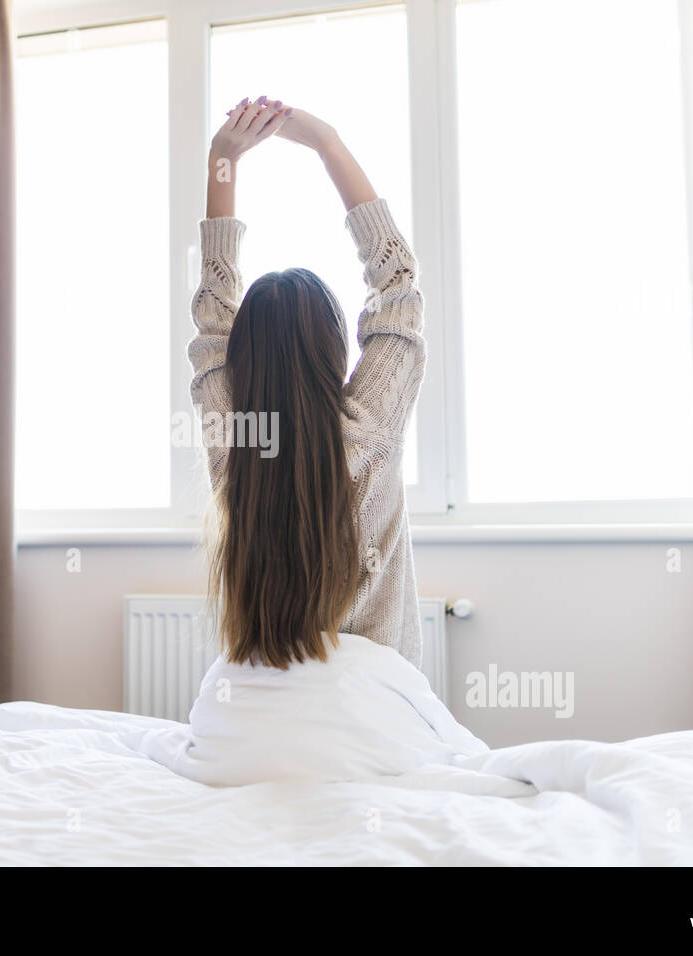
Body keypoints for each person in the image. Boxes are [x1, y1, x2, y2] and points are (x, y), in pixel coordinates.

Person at [138, 96, 486, 785]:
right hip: (371, 717)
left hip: (246, 719)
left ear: (243, 358)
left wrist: (224, 161)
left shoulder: (232, 440)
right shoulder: (371, 431)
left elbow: (212, 316)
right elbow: (398, 283)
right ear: (334, 346)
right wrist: (325, 142)